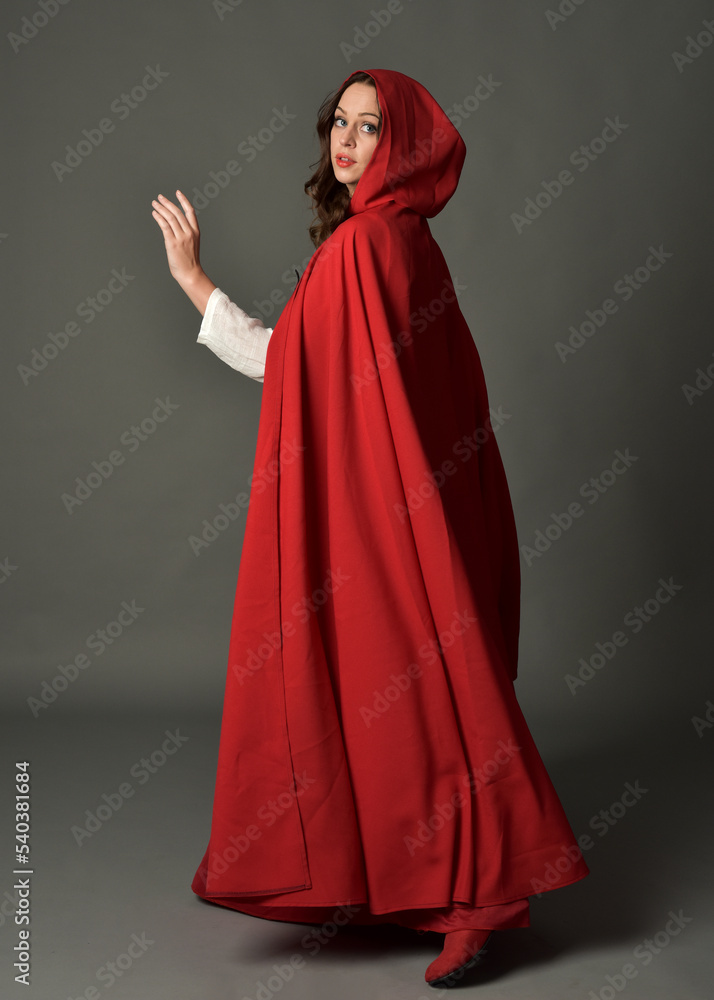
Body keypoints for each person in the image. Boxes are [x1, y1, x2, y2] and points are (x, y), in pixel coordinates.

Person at [151, 67, 590, 989]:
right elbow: (327, 377)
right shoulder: (405, 243)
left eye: (370, 125)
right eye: (339, 124)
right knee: (408, 695)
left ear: (405, 143)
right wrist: (196, 283)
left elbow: (295, 372)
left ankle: (477, 897)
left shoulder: (366, 248)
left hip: (381, 527)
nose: (346, 142)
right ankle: (421, 883)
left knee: (420, 695)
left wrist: (192, 282)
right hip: (398, 516)